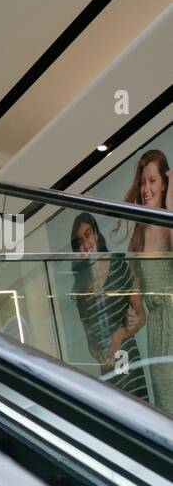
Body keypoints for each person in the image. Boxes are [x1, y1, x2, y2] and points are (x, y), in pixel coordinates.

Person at [70, 214, 149, 400]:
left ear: (96, 234)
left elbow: (141, 315)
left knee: (141, 415)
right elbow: (90, 339)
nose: (86, 244)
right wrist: (98, 354)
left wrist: (119, 335)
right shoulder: (81, 287)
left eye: (88, 235)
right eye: (79, 241)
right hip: (107, 368)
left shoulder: (118, 265)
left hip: (127, 358)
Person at [125, 149, 173, 409]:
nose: (145, 189)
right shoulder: (140, 234)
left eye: (152, 181)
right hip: (157, 332)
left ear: (164, 184)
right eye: (143, 182)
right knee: (166, 407)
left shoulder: (169, 226)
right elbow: (139, 300)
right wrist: (135, 316)